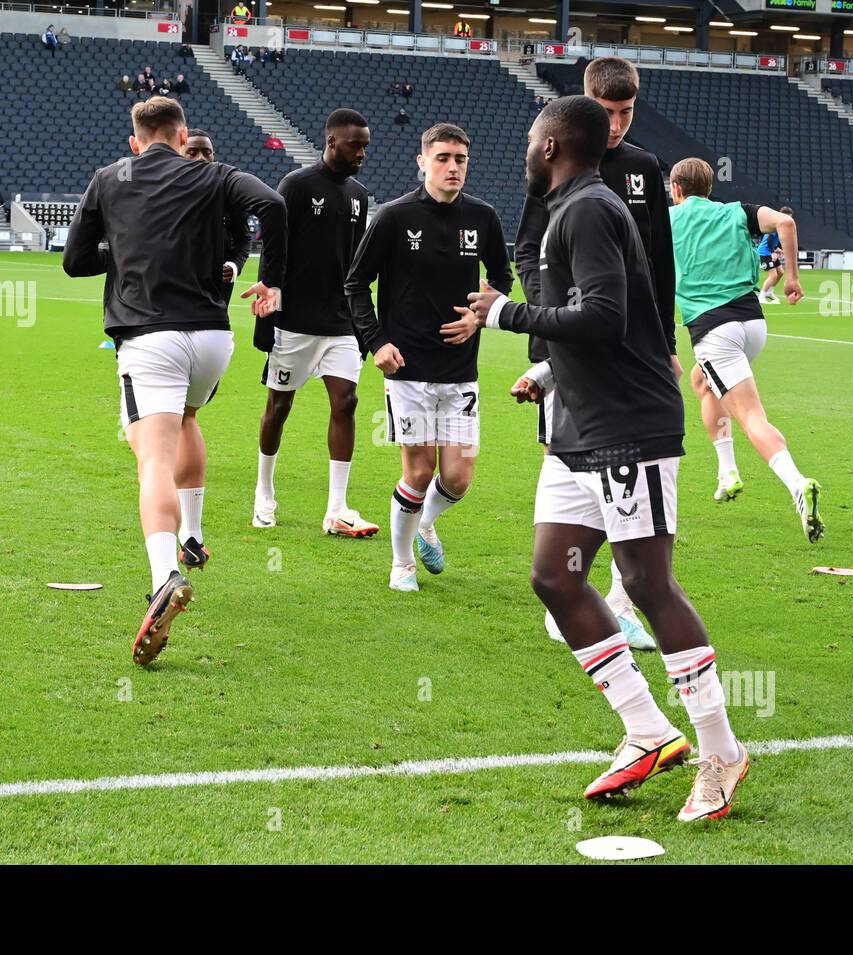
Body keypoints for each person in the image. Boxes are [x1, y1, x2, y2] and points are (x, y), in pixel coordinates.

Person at [459, 96, 749, 821]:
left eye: (531, 139)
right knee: (554, 576)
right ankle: (647, 729)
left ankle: (722, 751)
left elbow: (606, 315)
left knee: (648, 583)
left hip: (629, 427)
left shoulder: (589, 209)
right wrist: (549, 372)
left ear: (553, 144)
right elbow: (618, 322)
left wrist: (504, 314)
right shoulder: (572, 209)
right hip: (579, 426)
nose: (525, 149)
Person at [62, 96, 286, 666]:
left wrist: (126, 253)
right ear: (183, 135)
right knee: (188, 418)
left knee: (151, 457)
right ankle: (192, 529)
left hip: (151, 337)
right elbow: (274, 206)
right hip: (213, 340)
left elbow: (74, 260)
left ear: (135, 140)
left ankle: (165, 574)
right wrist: (273, 282)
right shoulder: (212, 173)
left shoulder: (111, 176)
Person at [514, 55, 679, 651]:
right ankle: (567, 589)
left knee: (625, 482)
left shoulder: (641, 170)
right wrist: (552, 314)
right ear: (585, 104)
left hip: (629, 352)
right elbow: (527, 251)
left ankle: (616, 600)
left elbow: (657, 263)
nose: (617, 125)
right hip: (567, 343)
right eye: (607, 112)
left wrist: (665, 344)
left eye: (627, 112)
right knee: (568, 460)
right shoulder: (557, 166)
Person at [346, 123, 512, 592]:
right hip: (408, 369)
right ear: (422, 162)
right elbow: (357, 284)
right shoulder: (395, 217)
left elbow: (502, 274)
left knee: (458, 478)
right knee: (418, 472)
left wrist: (481, 316)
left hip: (461, 368)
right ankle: (401, 565)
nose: (453, 167)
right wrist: (375, 343)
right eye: (442, 158)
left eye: (460, 158)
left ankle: (423, 524)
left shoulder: (483, 217)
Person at [667, 157, 823, 540]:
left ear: (676, 190)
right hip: (753, 324)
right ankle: (727, 473)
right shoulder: (738, 211)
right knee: (704, 383)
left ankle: (797, 484)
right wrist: (793, 278)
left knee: (751, 417)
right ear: (709, 188)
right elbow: (785, 223)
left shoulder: (666, 219)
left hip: (713, 328)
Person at [252, 109, 376, 537]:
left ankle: (337, 508)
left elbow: (359, 263)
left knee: (346, 403)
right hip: (295, 323)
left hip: (341, 322)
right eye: (354, 144)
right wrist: (270, 292)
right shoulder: (297, 186)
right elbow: (275, 248)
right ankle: (264, 493)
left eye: (365, 145)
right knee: (279, 407)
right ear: (331, 142)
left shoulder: (360, 194)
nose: (361, 152)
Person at [182, 128, 252, 293]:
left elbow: (243, 239)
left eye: (207, 153)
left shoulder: (229, 196)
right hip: (177, 290)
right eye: (192, 152)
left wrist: (234, 266)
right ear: (179, 155)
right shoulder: (165, 194)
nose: (201, 158)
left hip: (217, 292)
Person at [757, 208, 792, 304]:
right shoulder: (776, 224)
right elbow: (769, 240)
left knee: (780, 272)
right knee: (773, 275)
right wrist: (773, 252)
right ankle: (761, 296)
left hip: (770, 250)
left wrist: (777, 249)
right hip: (765, 252)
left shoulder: (782, 225)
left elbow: (774, 240)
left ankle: (769, 292)